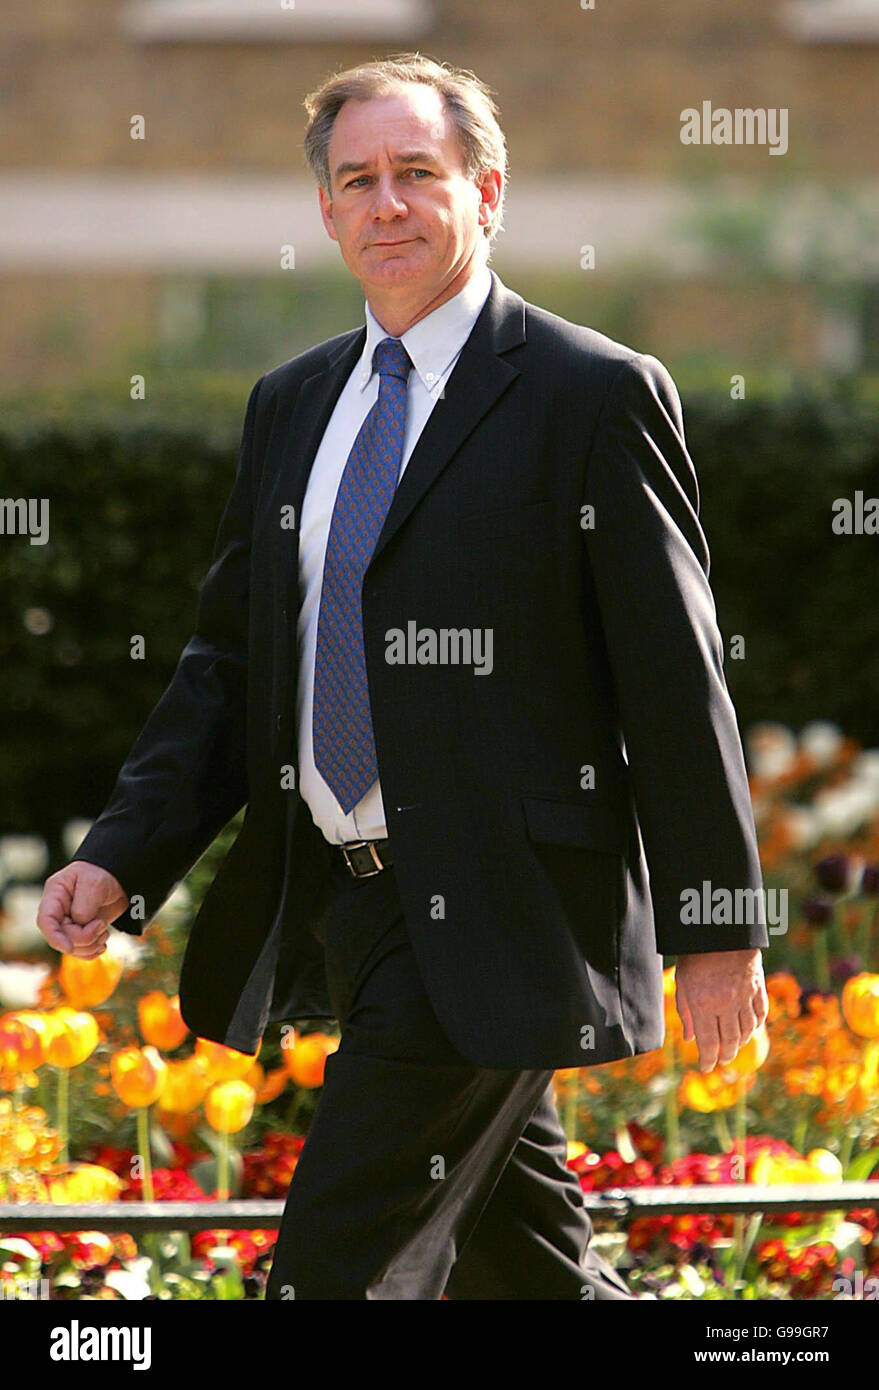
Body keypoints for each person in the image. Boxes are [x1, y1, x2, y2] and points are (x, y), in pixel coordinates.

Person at [37, 53, 769, 1299]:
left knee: (335, 1266)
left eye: (418, 174)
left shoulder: (591, 394)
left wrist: (719, 924)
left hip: (510, 898)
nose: (388, 203)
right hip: (352, 900)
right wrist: (122, 851)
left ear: (486, 192)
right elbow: (230, 664)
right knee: (529, 1274)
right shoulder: (293, 402)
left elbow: (672, 673)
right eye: (358, 179)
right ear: (325, 211)